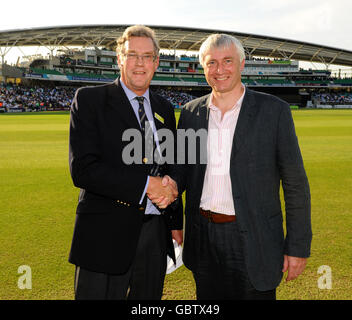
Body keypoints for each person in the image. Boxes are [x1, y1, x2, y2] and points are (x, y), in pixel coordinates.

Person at [161, 34, 312, 300]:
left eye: (227, 61)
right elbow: (181, 171)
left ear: (242, 64)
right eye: (212, 63)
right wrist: (170, 187)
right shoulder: (190, 113)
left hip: (254, 238)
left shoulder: (274, 111)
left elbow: (295, 183)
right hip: (203, 238)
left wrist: (297, 246)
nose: (220, 70)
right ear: (203, 68)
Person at [68, 25, 182, 300]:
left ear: (156, 62)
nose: (139, 63)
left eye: (147, 56)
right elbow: (83, 170)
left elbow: (170, 167)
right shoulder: (89, 100)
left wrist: (176, 221)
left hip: (155, 234)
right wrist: (146, 185)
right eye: (132, 55)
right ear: (119, 58)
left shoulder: (164, 108)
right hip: (104, 234)